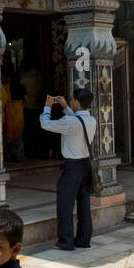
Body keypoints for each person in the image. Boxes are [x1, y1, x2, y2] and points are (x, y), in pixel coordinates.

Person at [40, 89, 96, 250]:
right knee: (84, 203)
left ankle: (65, 241)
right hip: (86, 165)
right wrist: (65, 107)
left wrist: (47, 107)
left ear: (77, 102)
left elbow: (45, 123)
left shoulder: (69, 122)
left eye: (73, 101)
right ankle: (84, 239)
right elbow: (76, 121)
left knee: (65, 203)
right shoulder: (91, 120)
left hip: (72, 167)